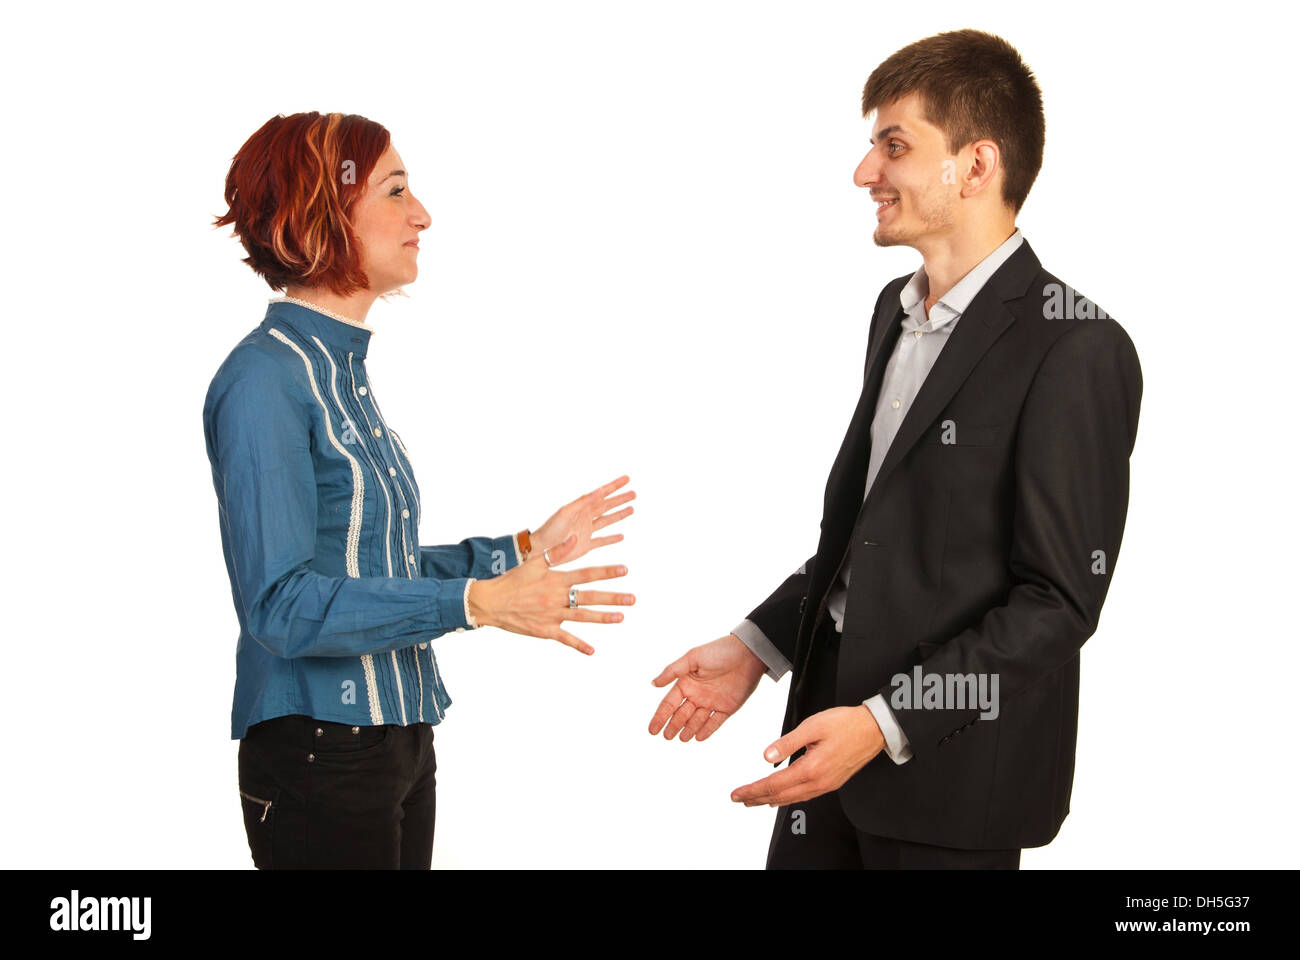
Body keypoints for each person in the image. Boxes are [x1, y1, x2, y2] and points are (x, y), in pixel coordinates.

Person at [650, 29, 1143, 869]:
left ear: (976, 167)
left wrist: (886, 724)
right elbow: (873, 536)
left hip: (949, 789)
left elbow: (1059, 603)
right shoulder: (894, 309)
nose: (864, 172)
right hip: (824, 744)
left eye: (894, 145)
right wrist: (760, 647)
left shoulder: (1077, 346)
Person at [203, 111, 636, 869]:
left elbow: (367, 567)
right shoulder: (264, 381)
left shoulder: (340, 373)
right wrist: (473, 604)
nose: (422, 215)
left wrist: (520, 551)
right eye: (395, 190)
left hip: (397, 745)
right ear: (322, 213)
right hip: (318, 753)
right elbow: (279, 604)